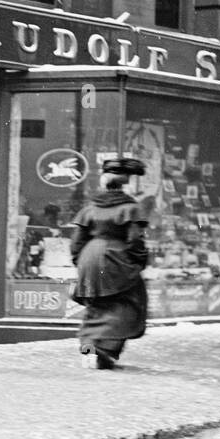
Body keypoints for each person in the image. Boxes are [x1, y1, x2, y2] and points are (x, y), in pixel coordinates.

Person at [69, 157, 150, 369]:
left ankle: (88, 350)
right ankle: (103, 352)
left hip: (89, 258)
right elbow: (135, 240)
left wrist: (82, 262)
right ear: (126, 182)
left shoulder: (90, 207)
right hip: (116, 258)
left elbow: (76, 242)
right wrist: (138, 262)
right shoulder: (130, 208)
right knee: (124, 305)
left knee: (95, 305)